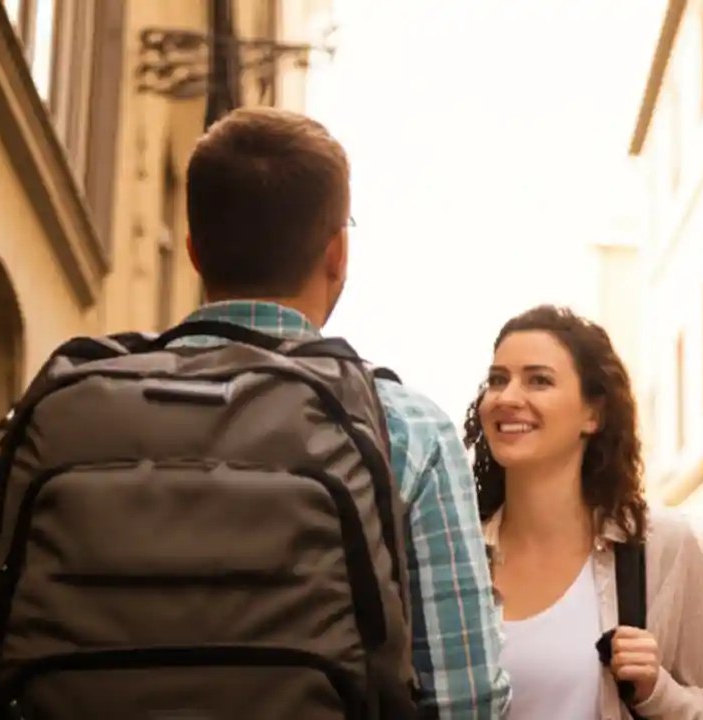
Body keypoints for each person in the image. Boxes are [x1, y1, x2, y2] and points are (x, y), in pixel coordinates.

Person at [177, 107, 509, 718]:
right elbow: (467, 700)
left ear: (195, 251)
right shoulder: (403, 430)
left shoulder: (70, 404)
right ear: (338, 254)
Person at [463, 305, 703, 720]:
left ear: (593, 414)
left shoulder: (662, 550)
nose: (508, 398)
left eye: (539, 380)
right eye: (498, 380)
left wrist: (658, 690)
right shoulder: (458, 557)